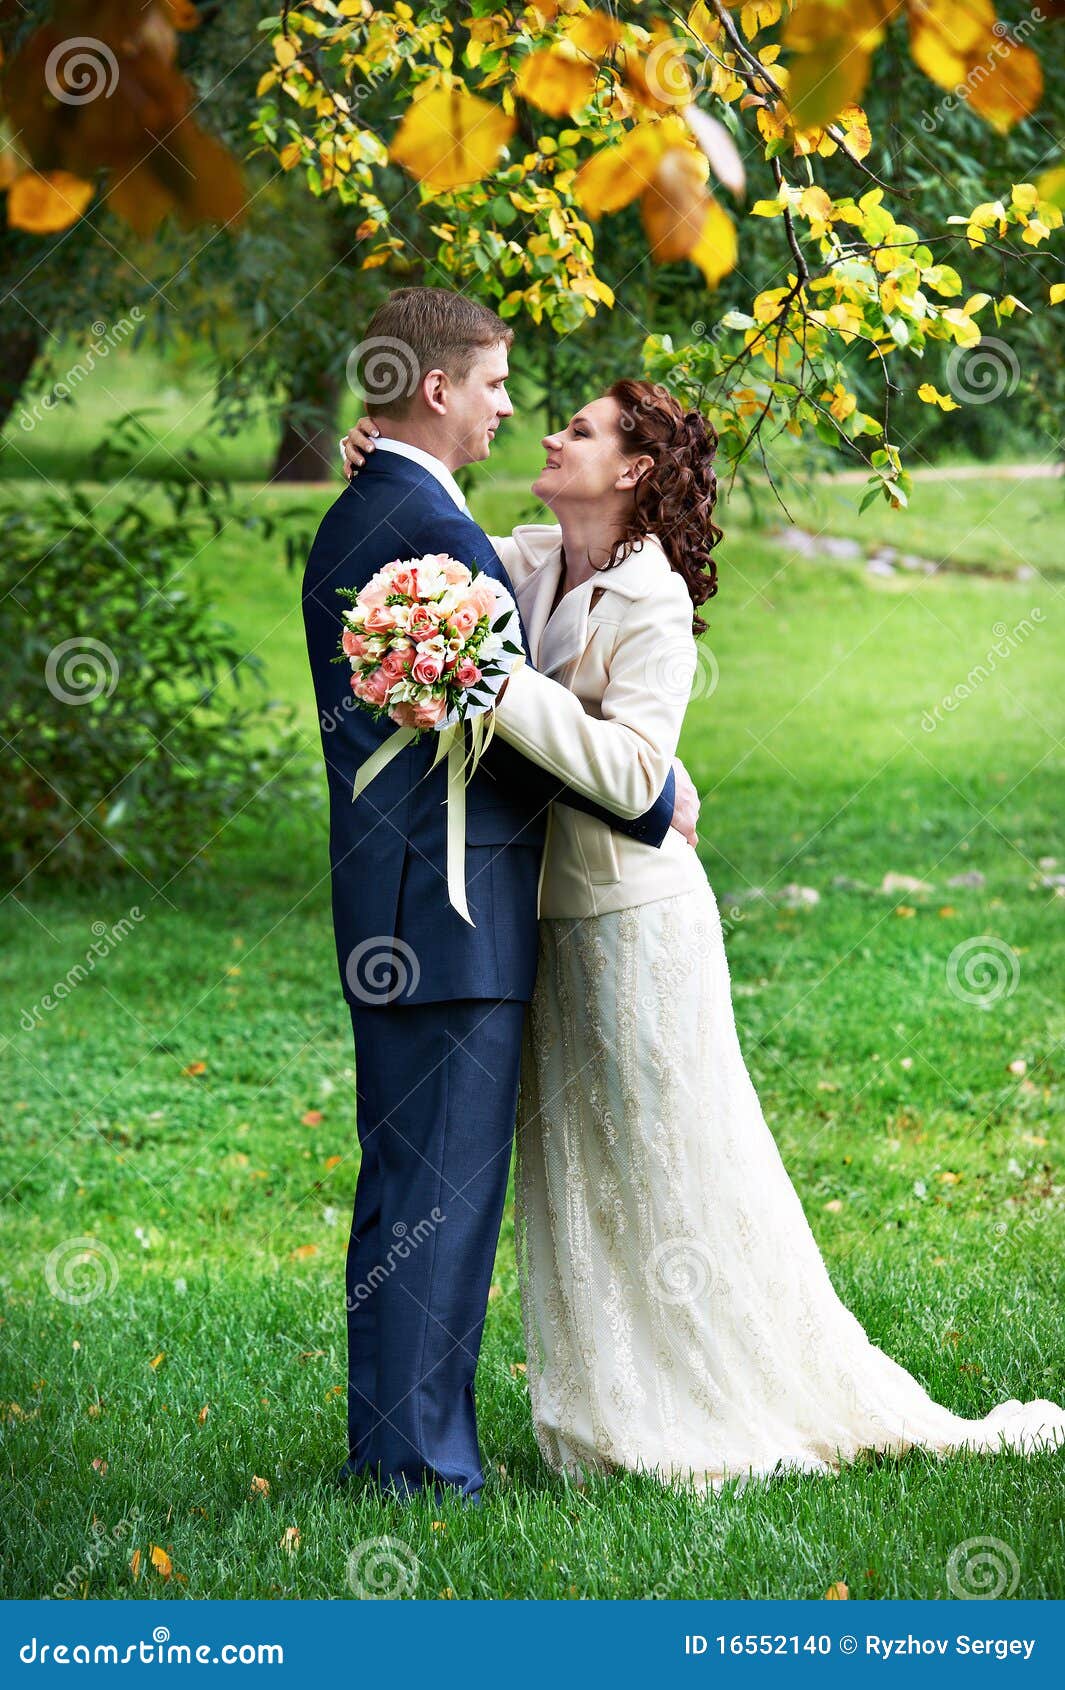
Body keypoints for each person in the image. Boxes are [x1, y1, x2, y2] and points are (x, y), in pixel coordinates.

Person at [341, 376, 1065, 1492]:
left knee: (674, 1163)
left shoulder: (654, 599)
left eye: (577, 429)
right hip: (541, 927)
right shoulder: (529, 557)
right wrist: (379, 463)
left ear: (632, 469)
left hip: (635, 928)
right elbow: (434, 541)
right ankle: (606, 1396)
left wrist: (500, 683)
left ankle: (724, 1393)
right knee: (580, 1174)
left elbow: (636, 773)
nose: (548, 432)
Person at [303, 288, 700, 1504]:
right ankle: (418, 1470)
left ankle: (397, 1452)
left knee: (413, 1190)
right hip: (446, 913)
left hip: (413, 907)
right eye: (492, 384)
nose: (511, 406)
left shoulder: (401, 508)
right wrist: (655, 794)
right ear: (437, 389)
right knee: (436, 1199)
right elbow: (503, 711)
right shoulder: (416, 527)